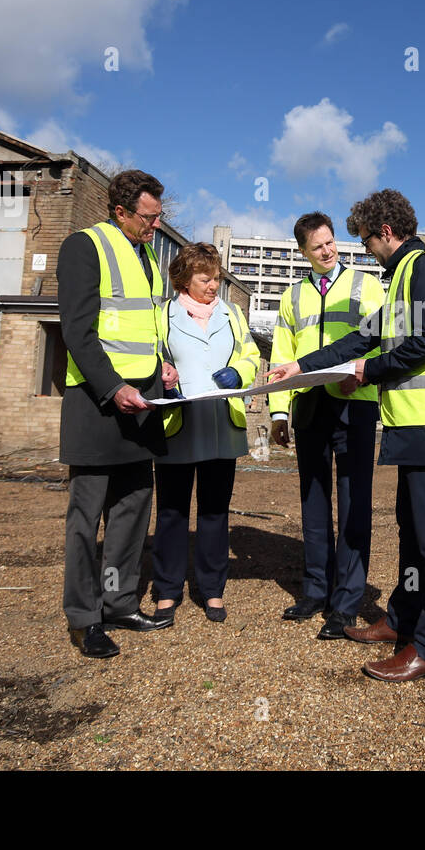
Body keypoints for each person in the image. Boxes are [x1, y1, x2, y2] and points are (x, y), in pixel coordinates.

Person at [269, 189, 425, 682]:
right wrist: (301, 365)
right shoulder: (401, 277)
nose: (364, 251)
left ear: (385, 232)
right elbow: (364, 337)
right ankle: (400, 620)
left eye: (364, 241)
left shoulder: (422, 269)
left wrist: (365, 371)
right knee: (410, 531)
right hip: (410, 424)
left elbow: (422, 345)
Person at [59, 169, 177, 659]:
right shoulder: (83, 247)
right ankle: (85, 619)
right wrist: (113, 387)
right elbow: (77, 331)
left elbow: (147, 323)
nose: (155, 225)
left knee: (132, 510)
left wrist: (163, 363)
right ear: (121, 211)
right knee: (86, 518)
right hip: (97, 403)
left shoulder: (147, 253)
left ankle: (120, 601)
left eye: (158, 217)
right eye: (148, 218)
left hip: (144, 401)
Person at [270, 212, 385, 640]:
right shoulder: (291, 296)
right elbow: (281, 356)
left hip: (354, 402)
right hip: (308, 404)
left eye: (331, 242)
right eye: (318, 246)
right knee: (313, 499)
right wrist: (279, 412)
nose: (328, 250)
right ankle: (316, 590)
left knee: (354, 503)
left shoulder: (365, 285)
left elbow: (378, 338)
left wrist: (366, 373)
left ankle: (346, 603)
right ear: (303, 252)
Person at [151, 243, 260, 623]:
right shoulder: (162, 313)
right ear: (184, 279)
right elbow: (152, 354)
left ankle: (212, 590)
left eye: (217, 278)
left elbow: (251, 355)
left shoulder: (231, 314)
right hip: (177, 419)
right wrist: (161, 376)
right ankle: (166, 590)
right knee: (171, 510)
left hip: (220, 419)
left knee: (214, 511)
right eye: (205, 278)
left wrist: (240, 373)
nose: (214, 285)